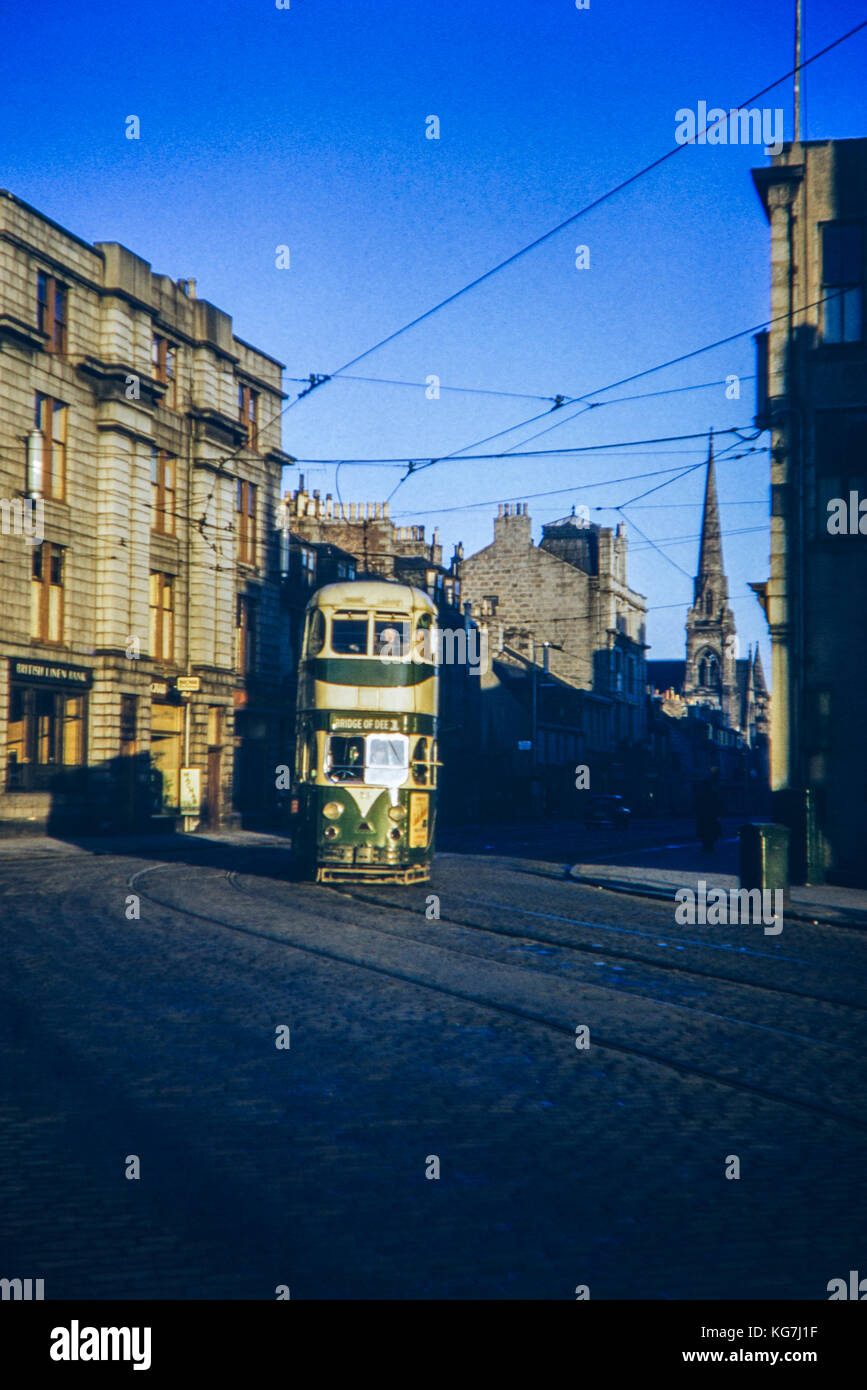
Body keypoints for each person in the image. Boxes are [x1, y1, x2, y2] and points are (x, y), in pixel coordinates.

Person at [695, 770, 723, 852]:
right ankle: (708, 845)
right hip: (708, 815)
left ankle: (708, 845)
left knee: (708, 831)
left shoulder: (709, 789)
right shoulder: (711, 790)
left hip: (707, 815)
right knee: (709, 831)